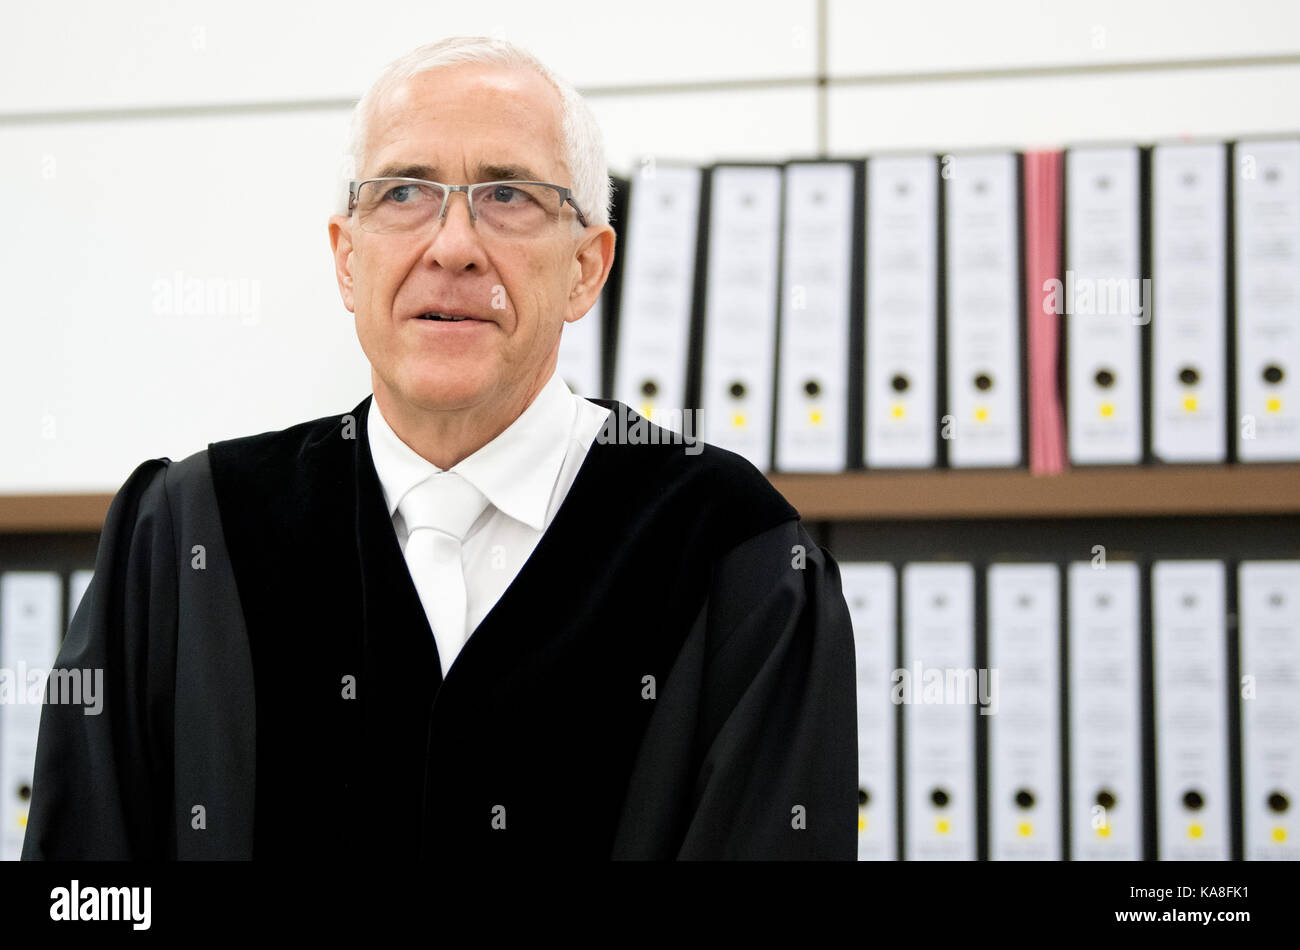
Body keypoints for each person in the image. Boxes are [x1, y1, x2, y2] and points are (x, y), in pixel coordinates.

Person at [21, 35, 857, 860]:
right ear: (347, 260)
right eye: (403, 193)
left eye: (508, 195)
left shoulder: (734, 556)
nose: (453, 246)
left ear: (586, 269)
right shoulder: (190, 536)